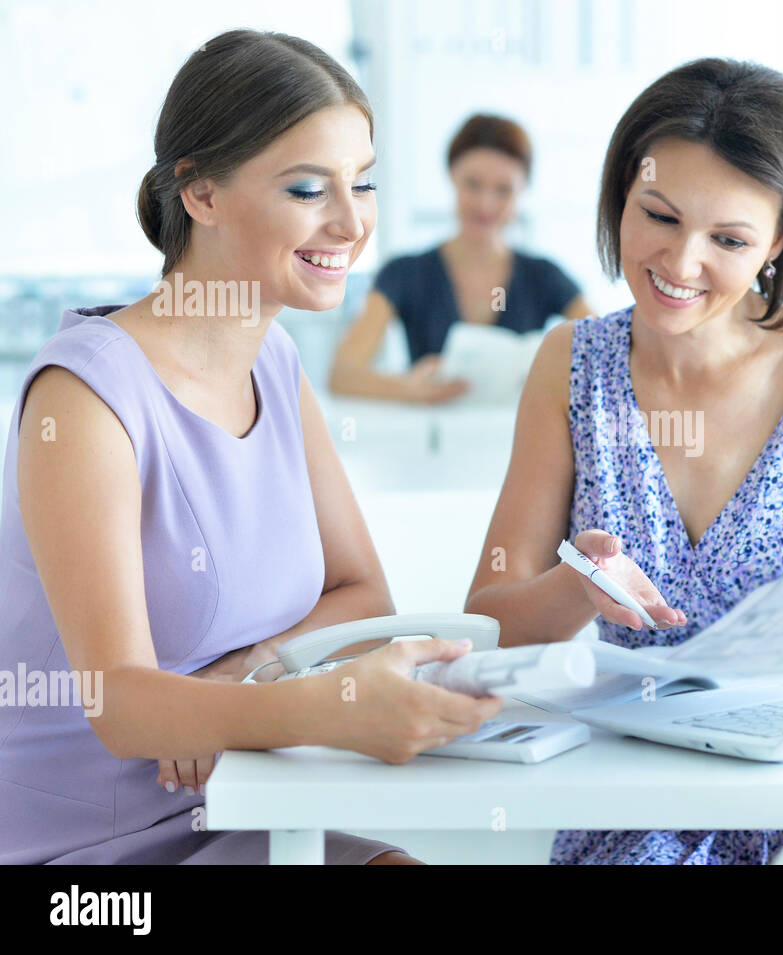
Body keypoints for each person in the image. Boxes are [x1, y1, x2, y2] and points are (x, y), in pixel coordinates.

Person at [0, 30, 500, 865]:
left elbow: (362, 592)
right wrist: (331, 703)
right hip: (81, 847)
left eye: (363, 182)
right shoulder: (86, 399)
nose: (351, 221)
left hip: (245, 795)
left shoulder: (274, 360)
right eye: (309, 188)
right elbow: (119, 703)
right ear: (199, 193)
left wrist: (245, 674)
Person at [464, 58, 783, 865]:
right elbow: (486, 629)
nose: (681, 263)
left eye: (729, 239)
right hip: (630, 814)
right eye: (658, 215)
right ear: (622, 192)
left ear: (781, 240)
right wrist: (571, 592)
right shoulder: (572, 363)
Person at [328, 114, 594, 403]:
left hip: (519, 441)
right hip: (433, 441)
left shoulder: (544, 276)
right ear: (452, 176)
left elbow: (606, 354)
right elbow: (342, 374)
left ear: (522, 192)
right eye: (473, 184)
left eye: (503, 190)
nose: (485, 203)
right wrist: (405, 388)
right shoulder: (404, 273)